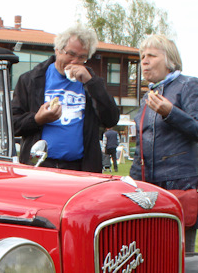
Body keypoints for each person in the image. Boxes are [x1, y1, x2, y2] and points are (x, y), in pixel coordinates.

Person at [129, 34, 198, 252]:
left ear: (170, 61)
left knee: (179, 259)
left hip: (179, 187)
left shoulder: (189, 85)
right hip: (147, 191)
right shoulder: (147, 97)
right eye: (142, 56)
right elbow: (141, 147)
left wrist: (170, 112)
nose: (144, 61)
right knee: (146, 255)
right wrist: (132, 184)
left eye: (151, 55)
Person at [12, 24, 119, 172]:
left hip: (80, 168)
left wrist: (91, 83)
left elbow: (111, 119)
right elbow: (12, 124)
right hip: (40, 168)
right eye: (71, 54)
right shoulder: (30, 80)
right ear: (58, 50)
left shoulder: (92, 82)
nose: (75, 61)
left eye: (82, 57)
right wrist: (36, 119)